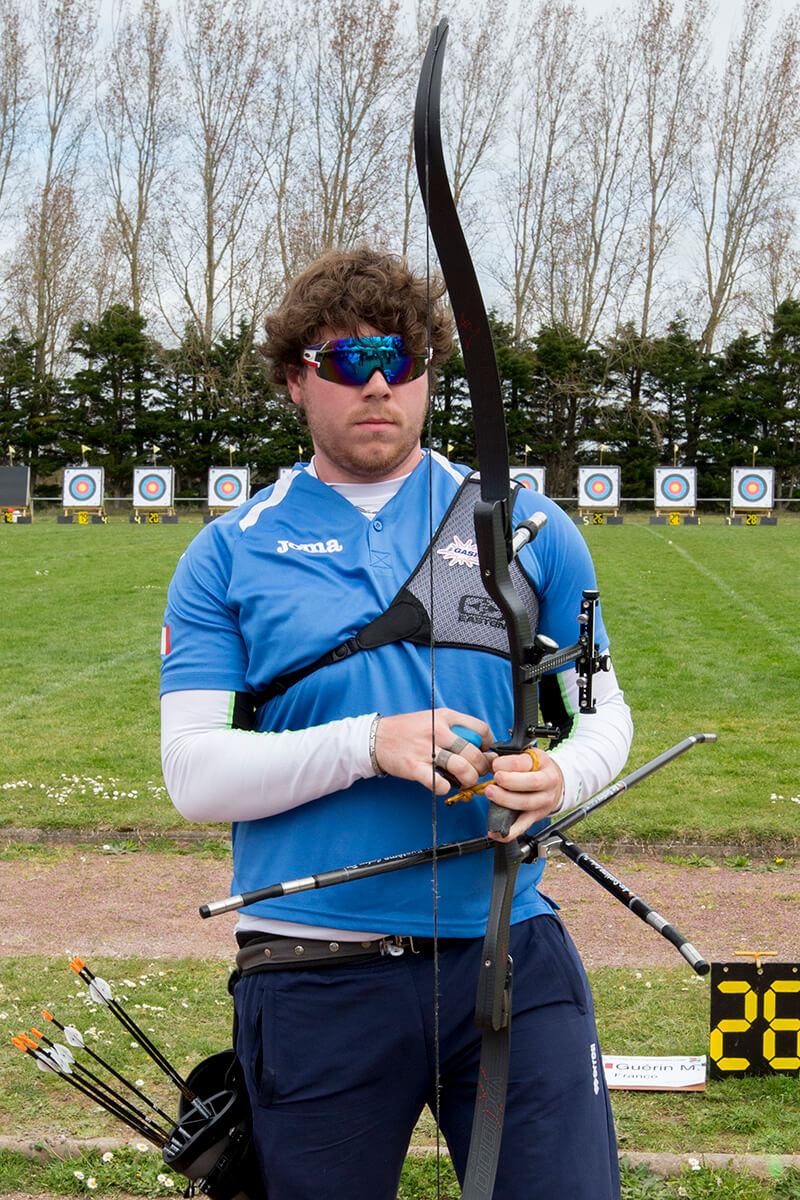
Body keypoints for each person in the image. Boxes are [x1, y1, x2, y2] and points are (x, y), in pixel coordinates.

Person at [160, 247, 633, 1200]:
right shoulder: (229, 553)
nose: (377, 383)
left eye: (400, 357)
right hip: (312, 969)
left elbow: (601, 713)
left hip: (507, 953)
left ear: (428, 372)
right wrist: (368, 743)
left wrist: (564, 776)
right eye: (346, 360)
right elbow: (195, 774)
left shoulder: (528, 529)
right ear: (295, 379)